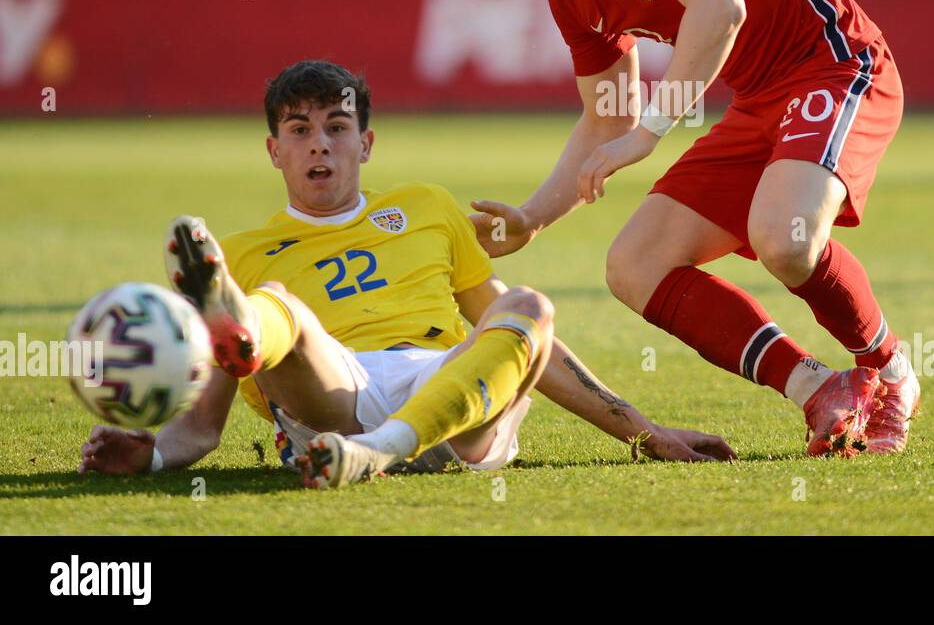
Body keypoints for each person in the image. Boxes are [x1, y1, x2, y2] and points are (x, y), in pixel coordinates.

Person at [456, 0, 919, 457]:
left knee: (784, 240)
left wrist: (651, 131)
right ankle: (818, 387)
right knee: (633, 266)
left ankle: (889, 371)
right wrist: (533, 216)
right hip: (759, 98)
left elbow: (721, 7)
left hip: (835, 61)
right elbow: (604, 116)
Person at [78, 60, 733, 488]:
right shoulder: (237, 254)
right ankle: (256, 334)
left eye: (337, 127)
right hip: (334, 393)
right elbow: (204, 425)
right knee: (274, 301)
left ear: (366, 142)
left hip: (451, 385)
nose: (320, 144)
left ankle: (381, 450)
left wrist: (646, 432)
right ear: (274, 150)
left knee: (526, 306)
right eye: (299, 130)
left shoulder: (425, 207)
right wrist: (155, 453)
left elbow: (542, 352)